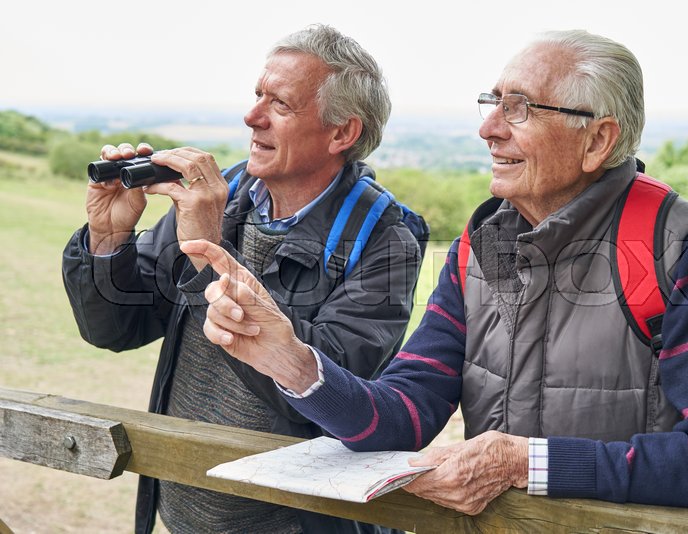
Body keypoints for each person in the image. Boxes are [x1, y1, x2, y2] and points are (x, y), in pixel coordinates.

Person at [181, 29, 688, 515]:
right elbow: (403, 416)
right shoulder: (477, 249)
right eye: (492, 103)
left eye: (520, 110)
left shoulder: (676, 245)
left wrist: (524, 462)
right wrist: (290, 360)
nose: (489, 129)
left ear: (598, 140)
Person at [62, 25, 422, 534]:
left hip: (293, 524)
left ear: (342, 133)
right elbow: (115, 329)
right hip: (182, 508)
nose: (251, 116)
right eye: (257, 95)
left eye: (280, 104)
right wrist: (108, 238)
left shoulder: (386, 242)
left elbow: (318, 390)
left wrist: (212, 251)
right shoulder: (225, 197)